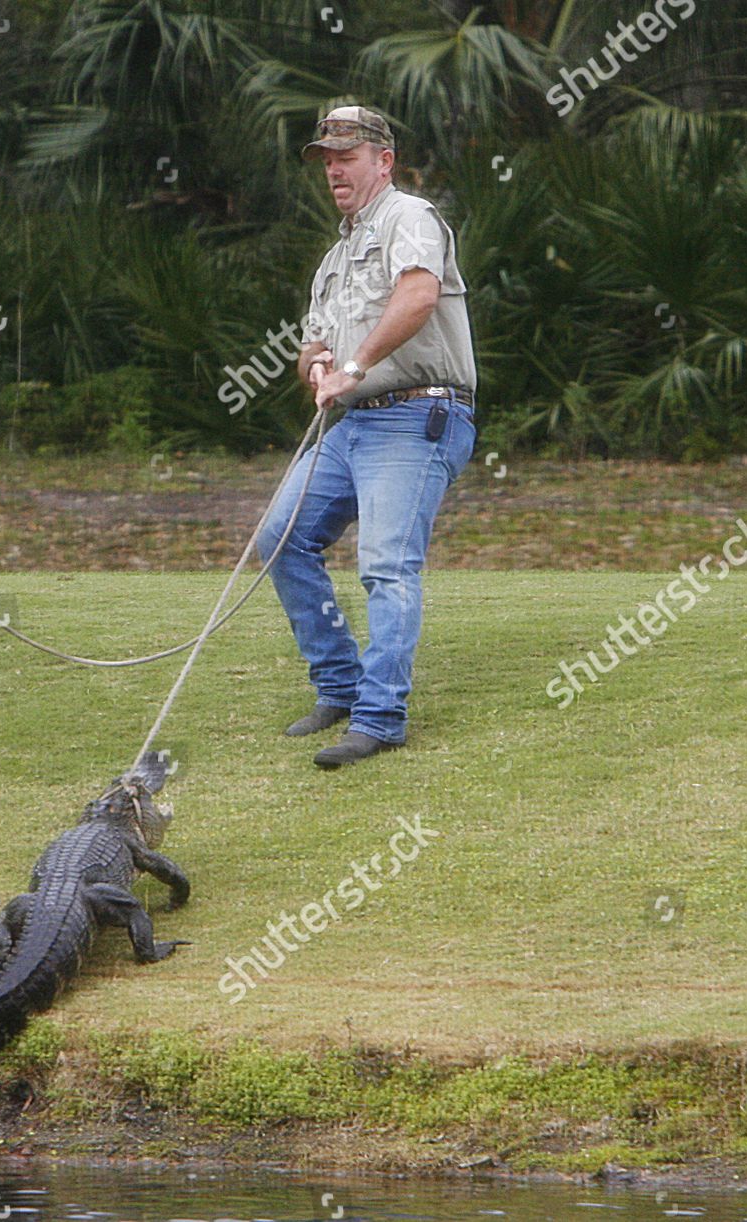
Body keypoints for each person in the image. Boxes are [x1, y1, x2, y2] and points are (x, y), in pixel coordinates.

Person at [257, 106, 477, 769]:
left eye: (345, 157)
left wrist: (353, 366)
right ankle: (342, 687)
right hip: (356, 423)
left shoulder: (409, 216)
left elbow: (416, 296)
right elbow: (311, 349)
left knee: (384, 563)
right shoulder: (335, 256)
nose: (333, 169)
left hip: (419, 416)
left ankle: (380, 718)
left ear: (383, 160)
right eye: (325, 159)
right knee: (279, 538)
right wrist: (320, 364)